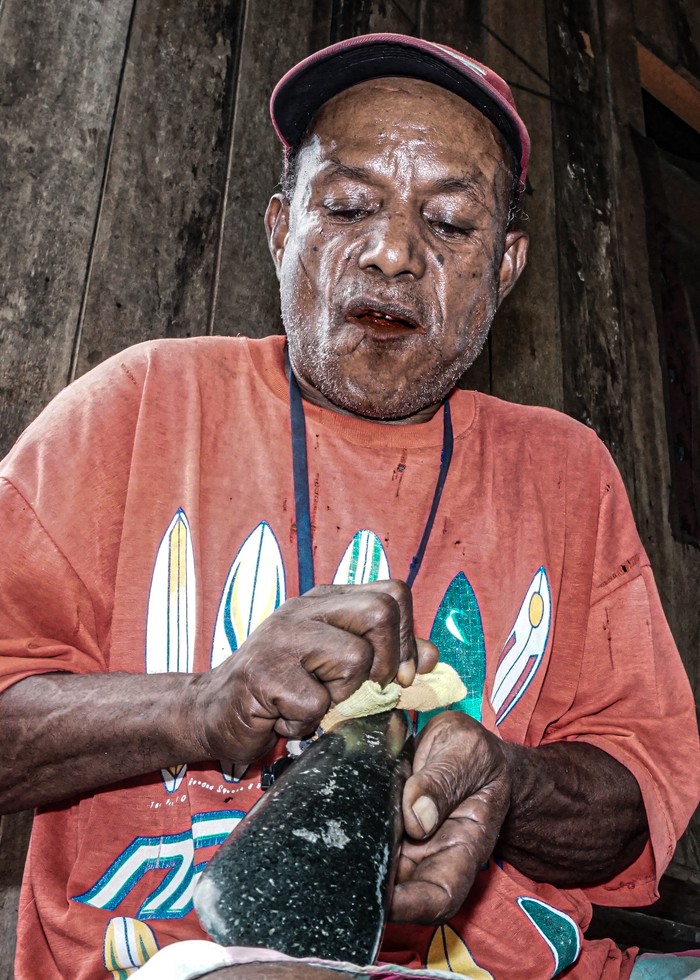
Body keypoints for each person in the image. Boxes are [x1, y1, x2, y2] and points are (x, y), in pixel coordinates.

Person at [0, 32, 698, 980]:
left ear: (506, 267)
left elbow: (634, 819)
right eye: (349, 205)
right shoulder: (140, 406)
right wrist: (202, 708)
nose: (394, 252)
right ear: (282, 229)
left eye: (450, 224)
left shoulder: (567, 471)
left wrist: (504, 782)